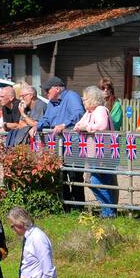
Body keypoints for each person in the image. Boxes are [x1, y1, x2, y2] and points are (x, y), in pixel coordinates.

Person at [37, 76, 84, 208]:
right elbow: (46, 119)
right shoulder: (51, 102)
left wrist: (64, 124)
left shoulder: (71, 96)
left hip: (72, 143)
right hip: (57, 145)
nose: (46, 93)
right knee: (60, 175)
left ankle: (79, 207)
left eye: (47, 90)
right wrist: (36, 126)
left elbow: (79, 114)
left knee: (74, 175)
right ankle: (66, 206)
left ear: (57, 89)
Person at [74, 84, 116, 218]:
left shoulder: (100, 110)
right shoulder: (89, 112)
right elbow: (77, 126)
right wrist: (84, 126)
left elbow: (102, 126)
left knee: (96, 182)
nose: (83, 101)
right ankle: (109, 211)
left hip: (103, 152)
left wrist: (85, 127)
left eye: (85, 98)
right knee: (101, 182)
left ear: (92, 99)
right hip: (94, 153)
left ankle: (108, 212)